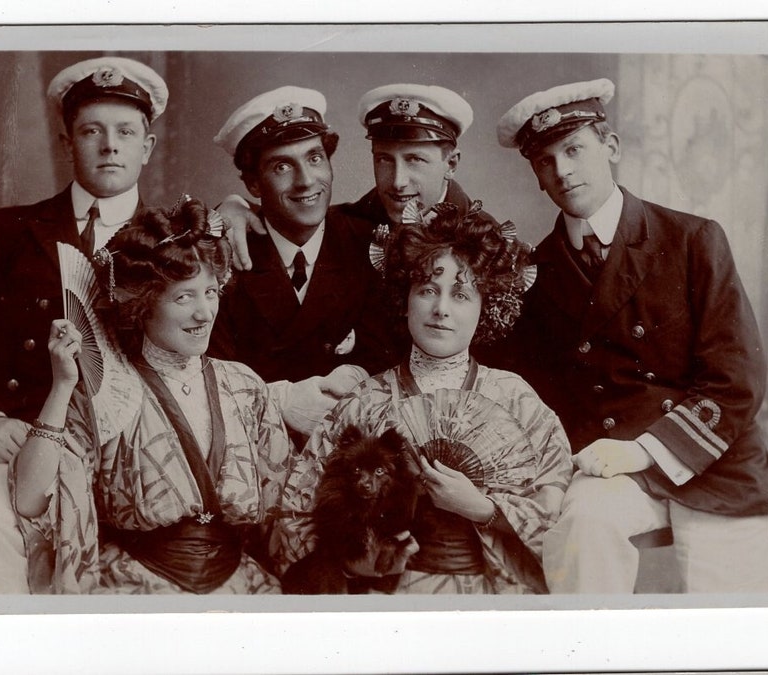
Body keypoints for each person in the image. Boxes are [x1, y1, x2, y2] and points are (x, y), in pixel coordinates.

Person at [495, 78, 768, 593]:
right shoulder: (533, 273)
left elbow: (737, 379)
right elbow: (534, 396)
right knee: (579, 532)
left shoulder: (692, 240)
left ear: (612, 147)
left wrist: (647, 449)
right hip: (611, 466)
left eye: (574, 149)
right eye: (545, 162)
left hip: (714, 460)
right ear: (536, 177)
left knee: (731, 630)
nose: (562, 171)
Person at [0, 56, 168, 592]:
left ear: (148, 145)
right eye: (91, 131)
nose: (109, 145)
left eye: (125, 131)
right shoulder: (7, 230)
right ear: (67, 145)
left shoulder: (177, 241)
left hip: (137, 451)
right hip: (24, 437)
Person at [277, 203, 572, 594]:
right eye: (427, 290)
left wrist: (482, 509)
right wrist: (361, 562)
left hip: (490, 595)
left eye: (461, 295)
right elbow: (295, 514)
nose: (441, 310)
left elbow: (560, 516)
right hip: (386, 597)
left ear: (487, 306)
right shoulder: (364, 402)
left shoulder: (515, 399)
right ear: (405, 298)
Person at [10, 197, 292, 594]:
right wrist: (61, 387)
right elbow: (30, 501)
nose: (204, 313)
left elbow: (285, 513)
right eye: (183, 297)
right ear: (142, 306)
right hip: (135, 585)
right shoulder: (109, 392)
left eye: (210, 292)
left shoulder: (245, 387)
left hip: (238, 585)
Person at [210, 86, 398, 440]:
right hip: (251, 457)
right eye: (282, 166)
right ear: (252, 182)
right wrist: (278, 400)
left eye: (314, 158)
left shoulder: (372, 244)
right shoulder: (226, 255)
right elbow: (208, 379)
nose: (306, 181)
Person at [220, 83, 499, 272]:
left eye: (415, 160)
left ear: (451, 164)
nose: (399, 181)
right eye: (384, 159)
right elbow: (289, 218)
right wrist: (234, 207)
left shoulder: (491, 244)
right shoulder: (354, 222)